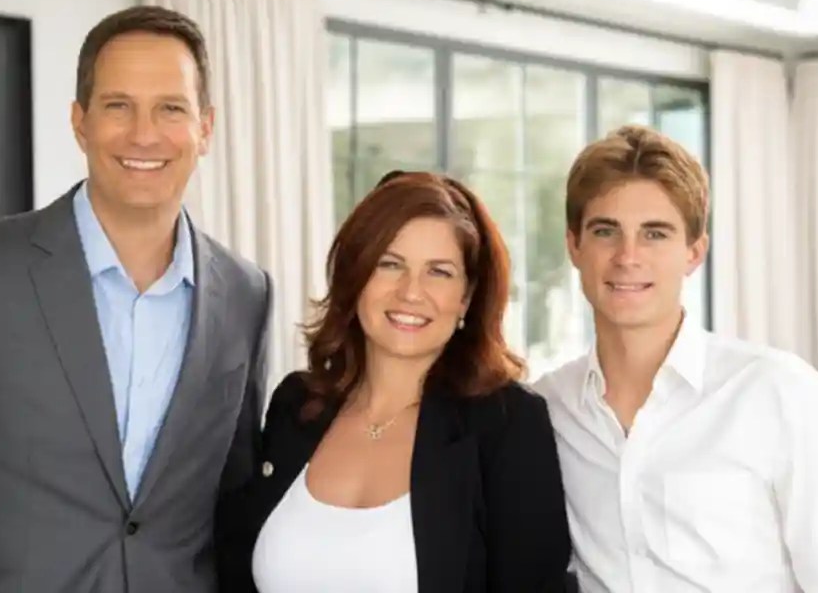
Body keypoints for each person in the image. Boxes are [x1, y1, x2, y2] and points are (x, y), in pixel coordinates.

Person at [0, 5, 273, 593]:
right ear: (80, 122)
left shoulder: (246, 295)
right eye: (118, 106)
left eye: (171, 108)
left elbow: (236, 508)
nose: (144, 134)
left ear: (206, 127)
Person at [534, 125, 818, 592]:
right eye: (605, 231)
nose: (627, 256)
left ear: (694, 252)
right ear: (574, 245)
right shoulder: (545, 410)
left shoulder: (777, 392)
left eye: (655, 234)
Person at [219, 170, 573, 593]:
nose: (410, 292)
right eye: (390, 264)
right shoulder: (297, 406)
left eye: (439, 272)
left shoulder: (507, 423)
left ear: (466, 296)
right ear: (356, 276)